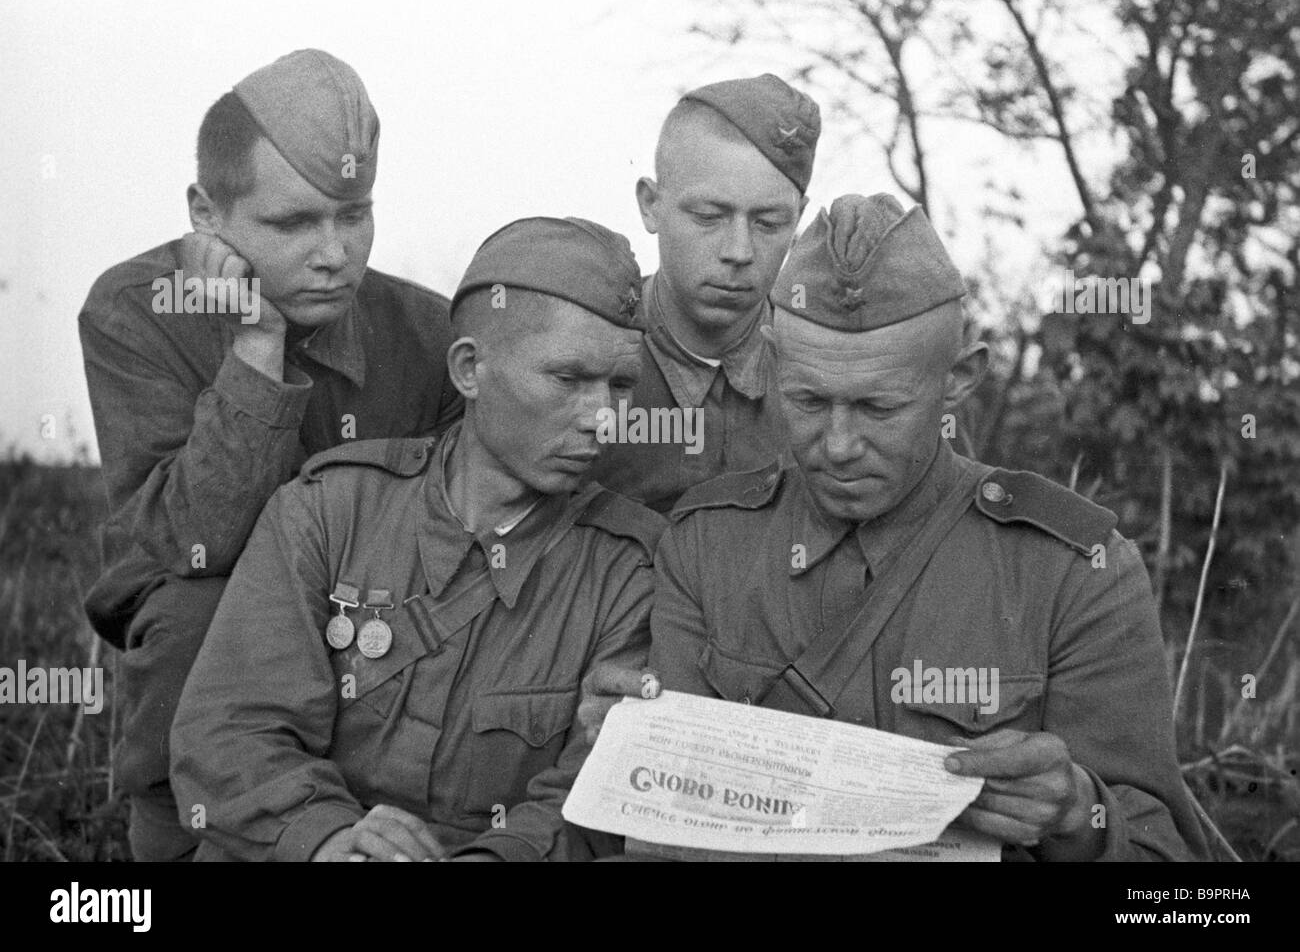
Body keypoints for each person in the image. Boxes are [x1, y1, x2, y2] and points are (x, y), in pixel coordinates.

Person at [581, 193, 1209, 861]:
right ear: (770, 365)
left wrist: (1080, 813)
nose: (840, 444)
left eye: (879, 407)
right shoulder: (707, 543)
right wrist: (617, 755)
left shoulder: (1075, 572)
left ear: (960, 380)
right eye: (809, 400)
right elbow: (658, 836)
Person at [170, 216, 664, 862]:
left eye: (620, 386)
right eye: (568, 380)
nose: (604, 417)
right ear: (468, 369)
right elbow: (229, 730)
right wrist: (326, 841)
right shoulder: (331, 508)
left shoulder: (633, 568)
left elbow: (594, 794)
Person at [77, 48, 464, 861]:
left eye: (352, 214)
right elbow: (200, 539)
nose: (333, 252)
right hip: (202, 629)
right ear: (206, 213)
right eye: (292, 223)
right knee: (200, 616)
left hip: (375, 616)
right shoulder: (135, 310)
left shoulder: (428, 333)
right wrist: (258, 341)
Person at [588, 74, 819, 513]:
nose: (739, 252)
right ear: (651, 205)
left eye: (769, 223)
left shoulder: (828, 366)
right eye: (709, 216)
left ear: (799, 218)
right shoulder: (582, 358)